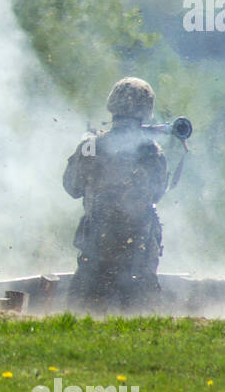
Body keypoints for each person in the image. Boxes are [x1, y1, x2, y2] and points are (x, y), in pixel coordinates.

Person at [63, 76, 168, 312]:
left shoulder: (91, 146)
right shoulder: (152, 152)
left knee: (80, 318)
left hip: (96, 252)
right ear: (146, 110)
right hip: (137, 258)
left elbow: (72, 187)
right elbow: (157, 193)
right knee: (145, 325)